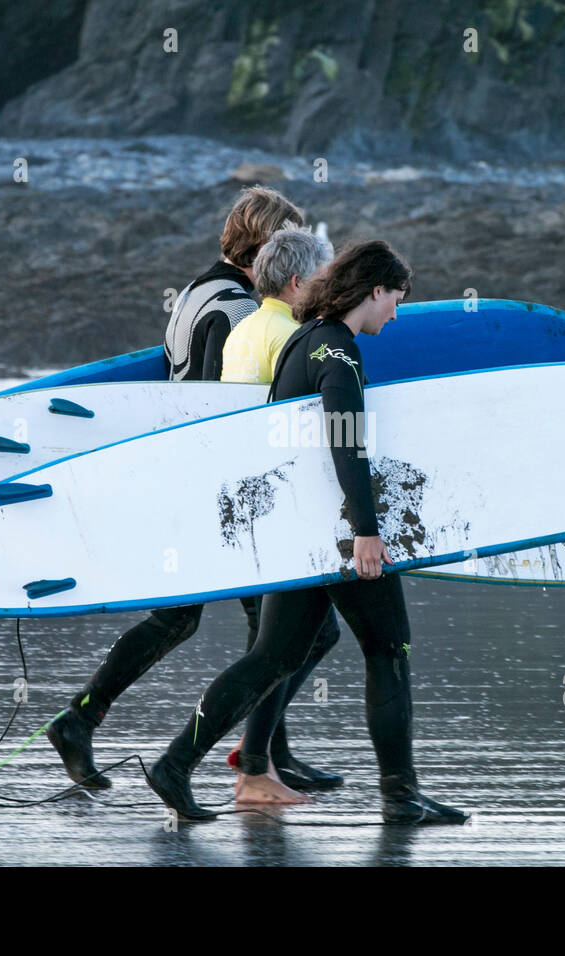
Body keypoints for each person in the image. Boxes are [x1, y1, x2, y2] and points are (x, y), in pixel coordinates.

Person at [146, 240, 469, 825]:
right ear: (374, 290)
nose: (396, 314)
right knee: (389, 649)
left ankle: (175, 763)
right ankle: (400, 796)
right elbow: (346, 443)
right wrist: (366, 531)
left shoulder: (305, 338)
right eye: (395, 299)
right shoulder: (338, 354)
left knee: (273, 657)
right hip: (338, 533)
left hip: (298, 531)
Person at [46, 187, 341, 794]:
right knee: (288, 631)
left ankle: (88, 721)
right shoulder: (235, 309)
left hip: (187, 480)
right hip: (216, 488)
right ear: (265, 247)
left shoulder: (193, 294)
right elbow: (215, 407)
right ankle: (255, 757)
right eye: (287, 244)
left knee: (195, 621)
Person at [219, 226, 344, 805]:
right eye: (323, 279)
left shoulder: (244, 330)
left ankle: (261, 754)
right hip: (281, 509)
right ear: (298, 283)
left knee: (289, 641)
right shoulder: (294, 336)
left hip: (245, 503)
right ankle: (251, 760)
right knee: (297, 640)